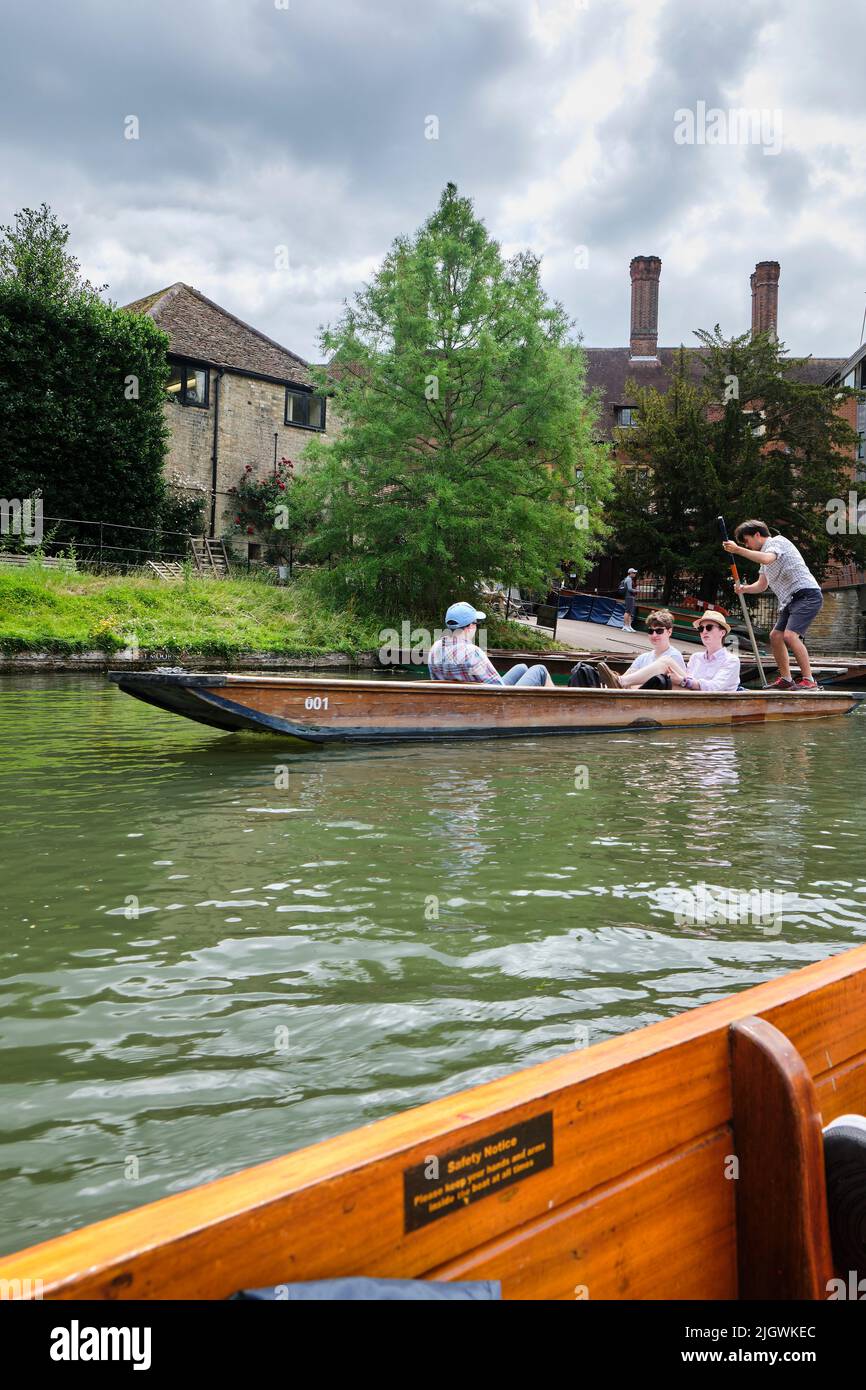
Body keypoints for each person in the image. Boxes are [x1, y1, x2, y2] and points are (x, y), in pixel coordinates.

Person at [722, 520, 823, 689]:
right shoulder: (763, 559)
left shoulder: (777, 542)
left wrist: (738, 550)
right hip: (790, 601)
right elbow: (762, 585)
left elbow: (768, 559)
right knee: (775, 636)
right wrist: (744, 589)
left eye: (746, 541)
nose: (747, 545)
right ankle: (786, 679)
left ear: (757, 534)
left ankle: (809, 680)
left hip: (807, 594)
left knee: (790, 636)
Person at [599, 609, 740, 690]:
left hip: (709, 700)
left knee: (666, 661)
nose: (704, 631)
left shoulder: (731, 661)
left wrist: (682, 681)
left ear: (722, 633)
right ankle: (616, 686)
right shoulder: (696, 657)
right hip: (690, 696)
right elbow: (687, 681)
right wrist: (679, 680)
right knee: (659, 680)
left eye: (709, 628)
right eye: (701, 628)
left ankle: (621, 682)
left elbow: (715, 688)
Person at [428, 602, 554, 687]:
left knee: (522, 668)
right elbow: (498, 690)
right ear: (471, 626)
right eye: (477, 623)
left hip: (460, 702)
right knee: (540, 670)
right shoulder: (472, 652)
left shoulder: (435, 649)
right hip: (493, 706)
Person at [598, 609, 686, 688]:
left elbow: (670, 685)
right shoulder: (643, 657)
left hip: (659, 701)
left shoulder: (673, 656)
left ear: (669, 632)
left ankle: (620, 681)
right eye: (651, 631)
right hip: (637, 699)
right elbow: (621, 682)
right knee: (626, 677)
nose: (654, 635)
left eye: (659, 631)